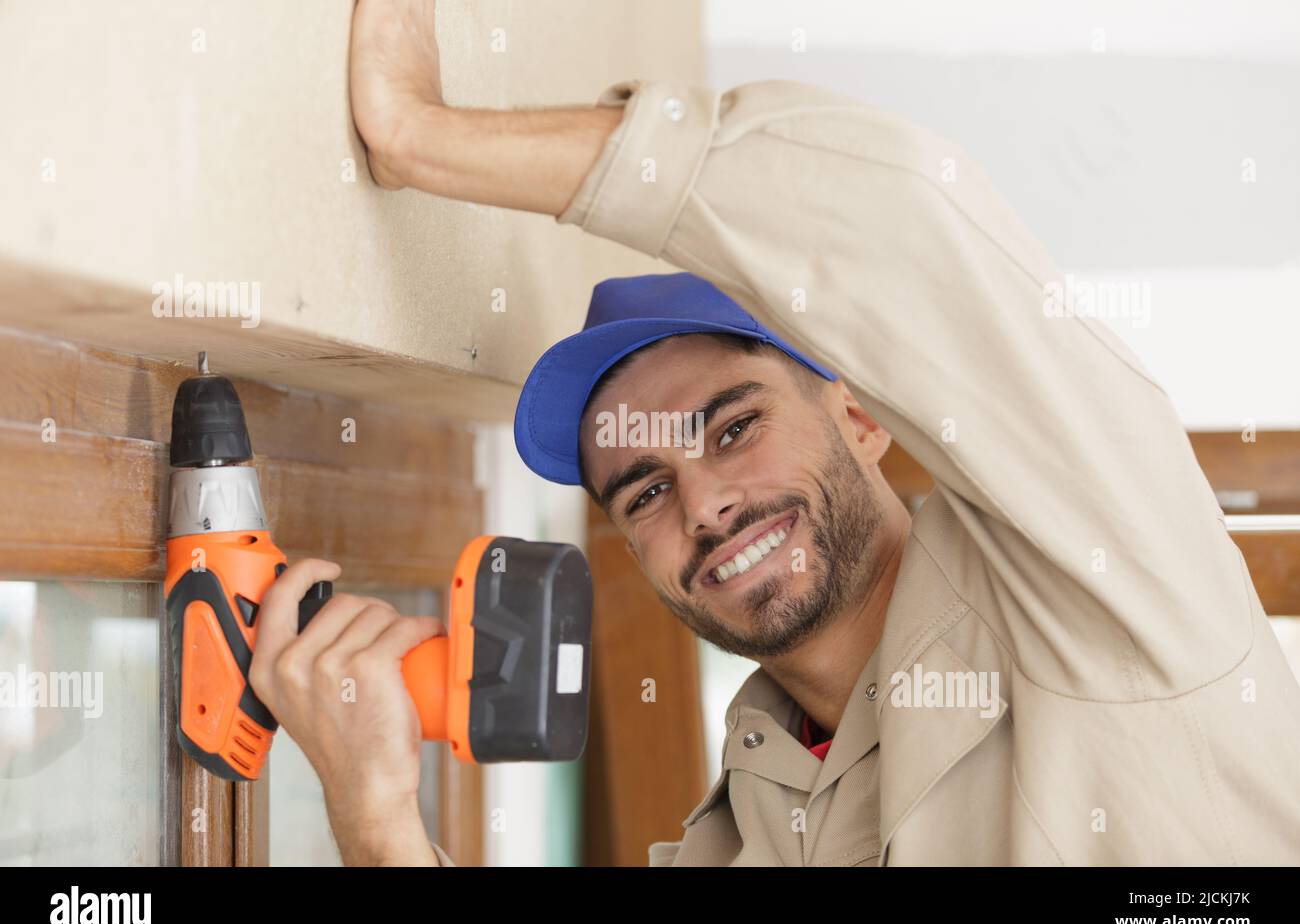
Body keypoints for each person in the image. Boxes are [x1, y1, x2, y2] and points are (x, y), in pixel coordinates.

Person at [251, 0, 1300, 866]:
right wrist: (378, 809)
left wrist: (423, 136)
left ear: (858, 413)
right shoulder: (754, 825)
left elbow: (902, 227)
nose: (703, 504)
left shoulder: (1106, 589)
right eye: (645, 490)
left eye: (735, 425)